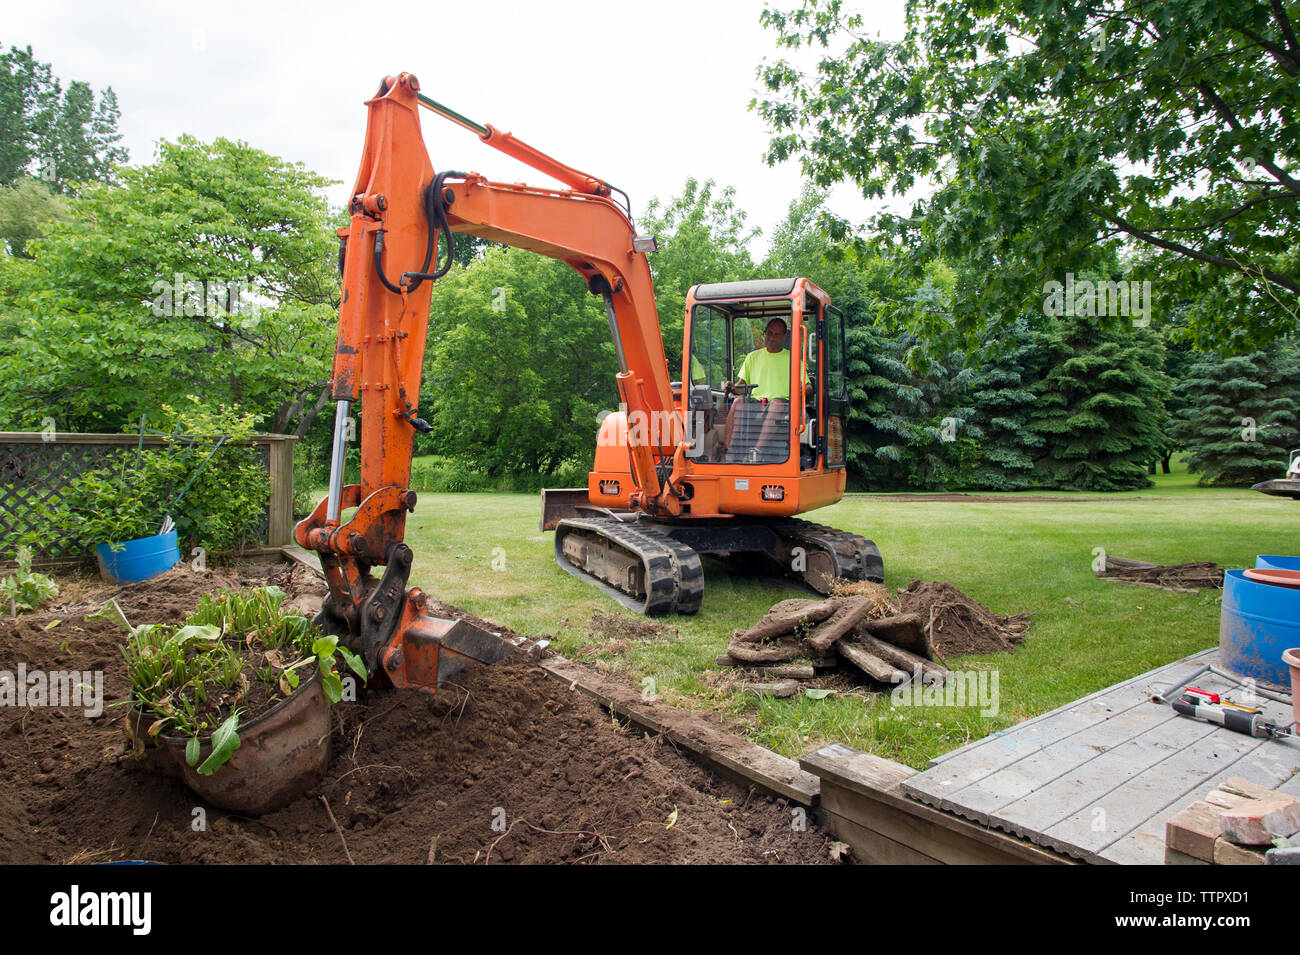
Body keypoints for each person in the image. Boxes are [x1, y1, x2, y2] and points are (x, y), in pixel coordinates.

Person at [721, 317, 795, 459]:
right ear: (765, 332)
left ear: (785, 336)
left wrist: (801, 389)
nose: (772, 337)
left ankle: (756, 451)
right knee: (737, 402)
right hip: (756, 403)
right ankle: (727, 451)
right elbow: (741, 386)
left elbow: (808, 387)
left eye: (776, 334)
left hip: (783, 406)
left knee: (776, 404)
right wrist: (732, 387)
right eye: (769, 333)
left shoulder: (793, 358)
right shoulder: (752, 357)